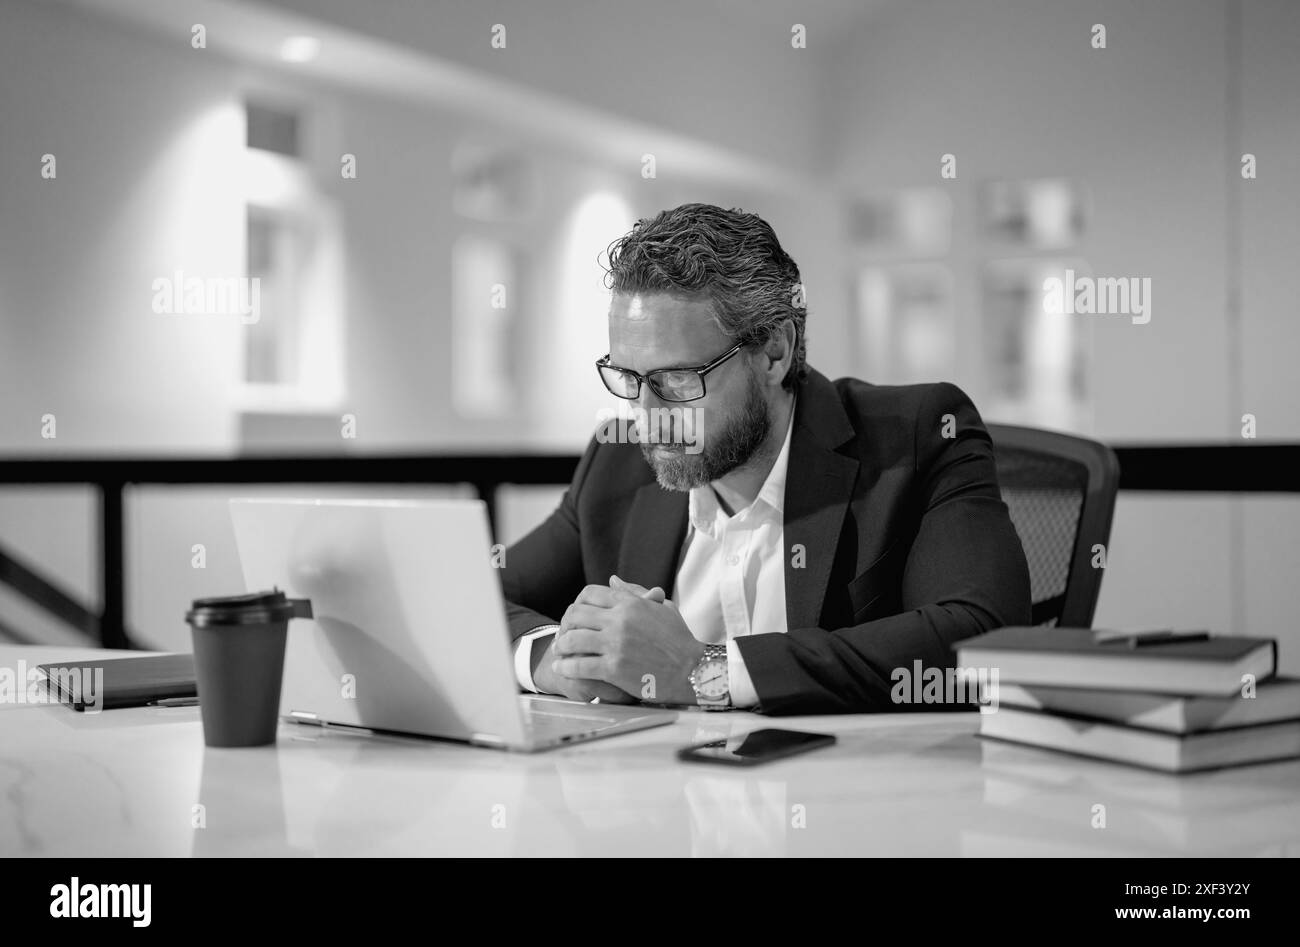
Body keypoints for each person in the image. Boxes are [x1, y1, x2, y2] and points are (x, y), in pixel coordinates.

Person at [500, 203, 1030, 715]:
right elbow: (477, 600)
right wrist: (557, 661)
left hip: (858, 794)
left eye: (677, 379)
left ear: (774, 352)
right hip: (662, 793)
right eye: (628, 378)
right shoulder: (617, 463)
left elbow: (983, 638)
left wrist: (702, 672)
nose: (647, 412)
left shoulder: (916, 438)